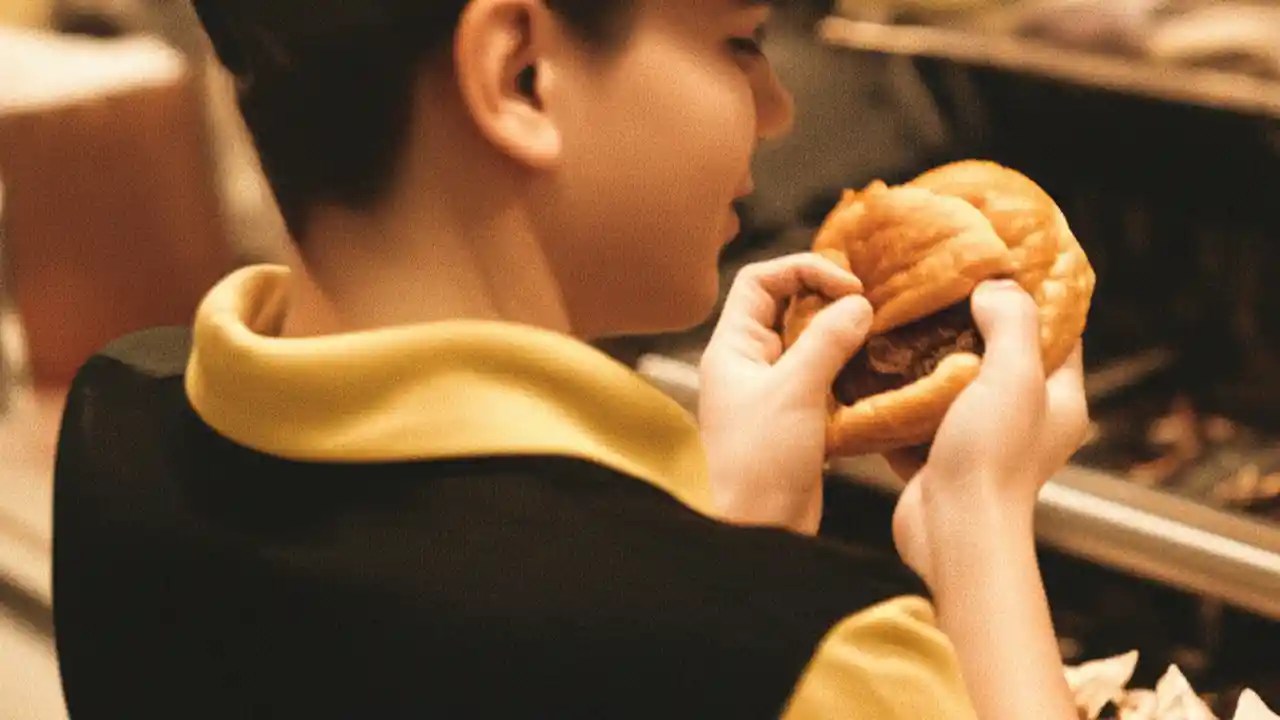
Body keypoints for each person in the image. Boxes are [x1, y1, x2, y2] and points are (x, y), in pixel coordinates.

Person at [52, 1, 1088, 718]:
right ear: (519, 73)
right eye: (739, 42)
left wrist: (726, 534)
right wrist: (973, 521)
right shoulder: (830, 663)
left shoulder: (112, 422)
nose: (778, 109)